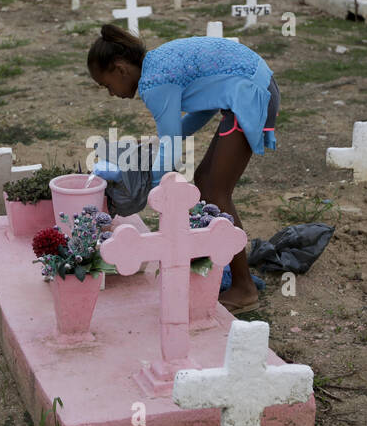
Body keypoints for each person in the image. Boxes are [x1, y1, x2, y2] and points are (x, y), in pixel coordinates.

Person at [86, 25, 278, 314]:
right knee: (203, 181)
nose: (111, 93)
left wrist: (154, 189)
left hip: (250, 94)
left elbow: (172, 149)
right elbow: (205, 106)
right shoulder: (157, 64)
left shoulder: (153, 84)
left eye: (107, 85)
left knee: (217, 193)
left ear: (120, 68)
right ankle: (220, 264)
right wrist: (164, 144)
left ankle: (244, 287)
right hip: (251, 87)